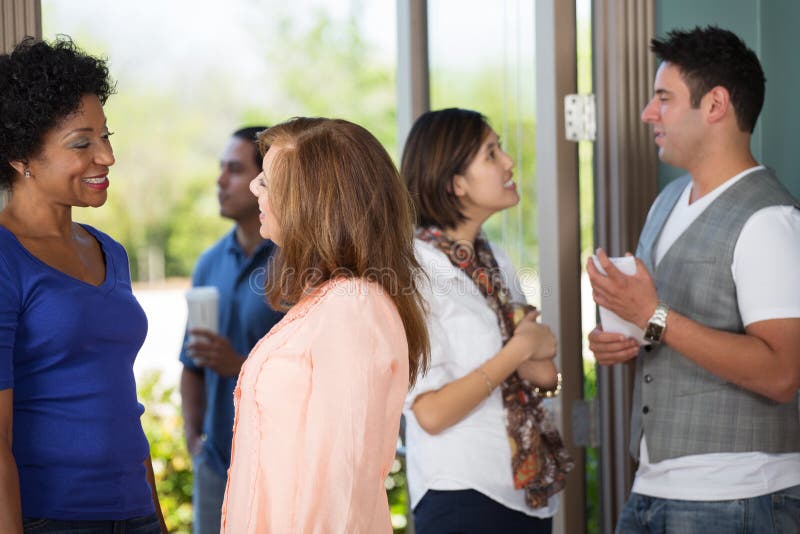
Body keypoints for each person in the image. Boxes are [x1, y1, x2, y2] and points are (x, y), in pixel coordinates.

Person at [587, 26, 800, 533]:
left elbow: (782, 374)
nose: (648, 113)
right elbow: (655, 330)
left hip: (740, 497)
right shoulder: (666, 202)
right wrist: (622, 340)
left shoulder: (769, 220)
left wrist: (651, 317)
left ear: (715, 105)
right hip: (652, 490)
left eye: (664, 98)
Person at [220, 117, 430, 532]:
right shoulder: (331, 302)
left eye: (268, 180)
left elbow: (341, 487)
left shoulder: (351, 309)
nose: (253, 188)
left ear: (313, 198)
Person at [0, 37, 166, 533]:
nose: (108, 156)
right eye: (82, 143)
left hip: (135, 512)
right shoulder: (5, 259)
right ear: (20, 155)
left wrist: (155, 518)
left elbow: (122, 404)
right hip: (51, 518)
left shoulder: (108, 250)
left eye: (106, 136)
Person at [400, 108, 573, 534]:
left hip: (524, 493)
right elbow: (431, 413)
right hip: (461, 494)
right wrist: (518, 349)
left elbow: (545, 374)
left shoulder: (491, 257)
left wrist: (531, 351)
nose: (509, 162)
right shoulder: (414, 268)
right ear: (455, 183)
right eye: (491, 154)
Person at [178, 126, 284, 533]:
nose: (221, 181)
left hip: (274, 463)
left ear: (265, 182)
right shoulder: (208, 262)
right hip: (216, 464)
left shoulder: (295, 264)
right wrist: (194, 443)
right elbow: (191, 363)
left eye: (235, 170)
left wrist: (237, 365)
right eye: (221, 168)